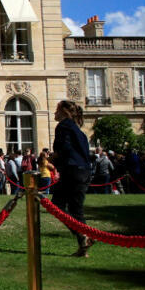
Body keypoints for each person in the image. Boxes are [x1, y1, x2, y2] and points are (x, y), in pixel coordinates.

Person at [52, 100, 93, 257]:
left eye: (57, 110)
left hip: (72, 170)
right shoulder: (77, 128)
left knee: (57, 205)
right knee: (77, 210)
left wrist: (51, 158)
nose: (55, 113)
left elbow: (64, 149)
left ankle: (83, 235)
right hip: (84, 171)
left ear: (63, 111)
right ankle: (83, 247)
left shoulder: (63, 126)